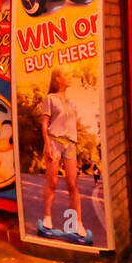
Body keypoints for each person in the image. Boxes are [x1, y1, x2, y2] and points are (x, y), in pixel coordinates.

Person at [40, 67, 86, 237]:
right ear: (57, 79)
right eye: (66, 74)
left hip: (71, 145)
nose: (70, 77)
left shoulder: (71, 103)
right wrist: (48, 145)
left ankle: (78, 222)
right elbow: (45, 123)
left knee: (72, 184)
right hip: (54, 142)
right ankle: (47, 217)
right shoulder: (50, 99)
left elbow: (73, 127)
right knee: (52, 181)